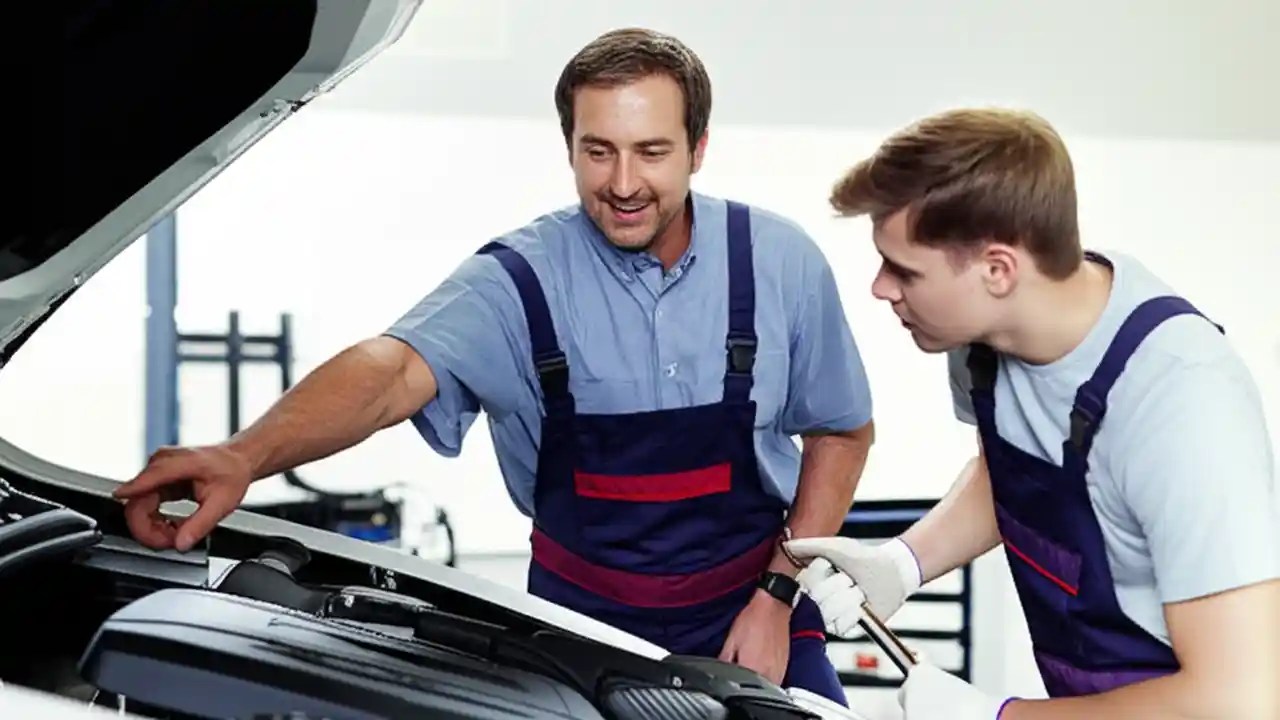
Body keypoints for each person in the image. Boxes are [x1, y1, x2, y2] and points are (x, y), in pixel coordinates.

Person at [112, 28, 877, 705]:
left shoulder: (779, 264)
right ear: (569, 145)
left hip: (754, 609)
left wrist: (777, 596)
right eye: (597, 150)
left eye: (651, 152)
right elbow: (390, 373)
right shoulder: (518, 280)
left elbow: (842, 432)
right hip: (576, 630)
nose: (621, 183)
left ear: (698, 148)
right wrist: (244, 456)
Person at [784, 107, 1280, 719]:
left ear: (998, 270)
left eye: (904, 270)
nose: (881, 288)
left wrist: (996, 717)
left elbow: (1237, 702)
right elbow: (1014, 471)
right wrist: (905, 562)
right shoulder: (985, 339)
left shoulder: (1182, 405)